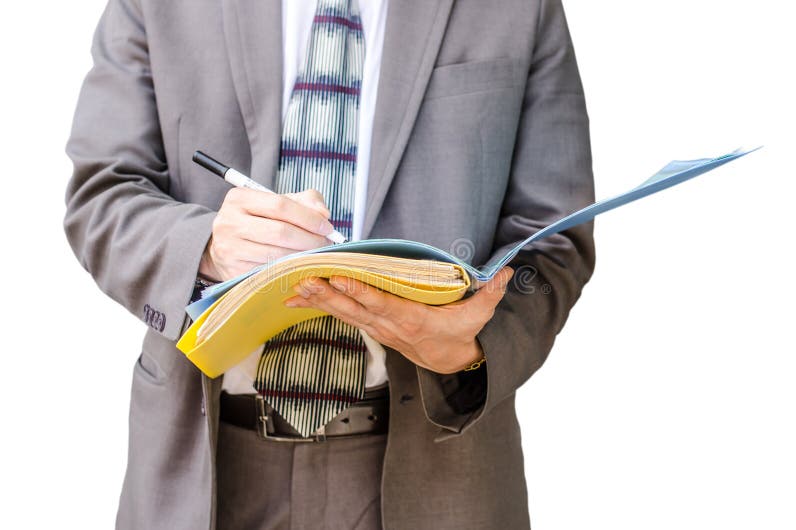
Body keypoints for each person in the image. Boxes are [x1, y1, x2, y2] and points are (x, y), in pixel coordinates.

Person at [64, 0, 595, 528]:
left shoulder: (522, 8)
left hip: (437, 467)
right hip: (202, 466)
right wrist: (205, 245)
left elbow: (555, 237)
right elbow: (102, 196)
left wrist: (472, 348)